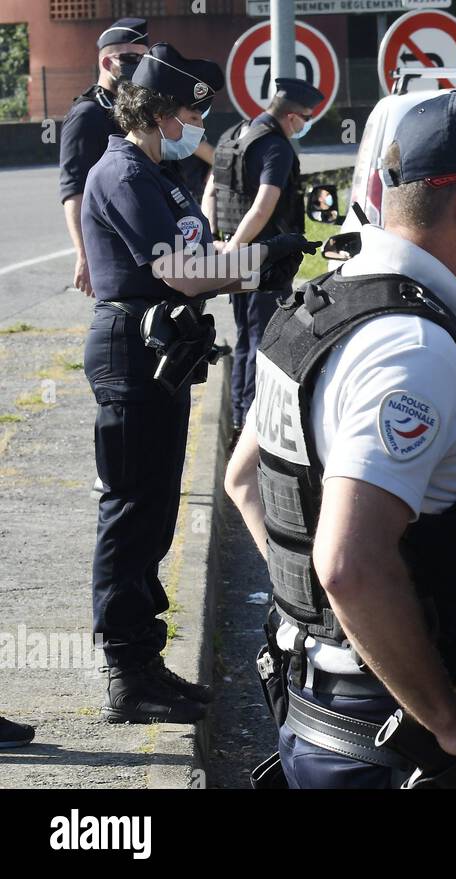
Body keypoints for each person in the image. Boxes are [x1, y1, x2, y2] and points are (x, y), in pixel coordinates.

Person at [224, 90, 456, 788]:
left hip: (318, 707)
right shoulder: (411, 350)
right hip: (387, 736)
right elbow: (347, 561)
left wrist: (325, 624)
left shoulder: (323, 308)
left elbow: (247, 481)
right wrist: (445, 714)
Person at [81, 42, 317, 725]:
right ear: (155, 111)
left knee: (156, 512)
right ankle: (126, 672)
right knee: (130, 513)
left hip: (163, 351)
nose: (195, 122)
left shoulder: (164, 172)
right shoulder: (123, 173)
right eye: (187, 110)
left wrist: (257, 258)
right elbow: (181, 269)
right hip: (130, 349)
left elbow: (202, 249)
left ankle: (148, 662)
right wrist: (258, 264)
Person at [59, 19, 215, 299]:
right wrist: (85, 254)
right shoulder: (88, 115)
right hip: (130, 258)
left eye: (144, 57)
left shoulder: (158, 115)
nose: (140, 65)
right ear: (107, 63)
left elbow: (194, 150)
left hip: (161, 248)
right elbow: (75, 189)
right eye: (131, 58)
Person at [204, 78, 322, 447]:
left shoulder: (235, 134)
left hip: (234, 256)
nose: (305, 124)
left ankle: (240, 418)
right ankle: (254, 431)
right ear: (289, 116)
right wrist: (239, 245)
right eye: (304, 118)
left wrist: (219, 243)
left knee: (245, 338)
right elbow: (264, 205)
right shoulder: (276, 148)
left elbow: (211, 190)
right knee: (263, 343)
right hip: (264, 260)